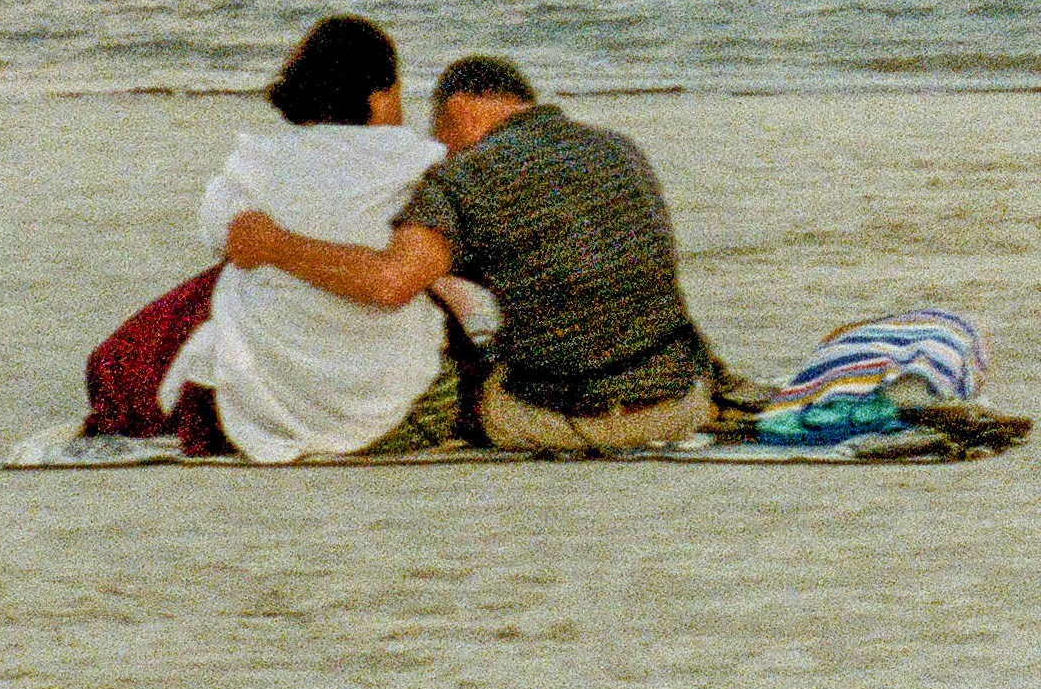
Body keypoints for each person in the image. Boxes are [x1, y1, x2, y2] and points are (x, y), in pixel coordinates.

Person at [220, 52, 720, 453]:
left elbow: (389, 283)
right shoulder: (621, 150)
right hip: (679, 403)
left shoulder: (464, 177)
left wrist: (273, 244)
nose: (438, 147)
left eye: (438, 133)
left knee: (445, 379)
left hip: (564, 419)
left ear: (456, 109)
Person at [79, 15, 465, 461]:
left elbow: (224, 237)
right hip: (388, 408)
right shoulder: (426, 162)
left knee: (222, 284)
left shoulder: (256, 161)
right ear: (382, 95)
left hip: (262, 409)